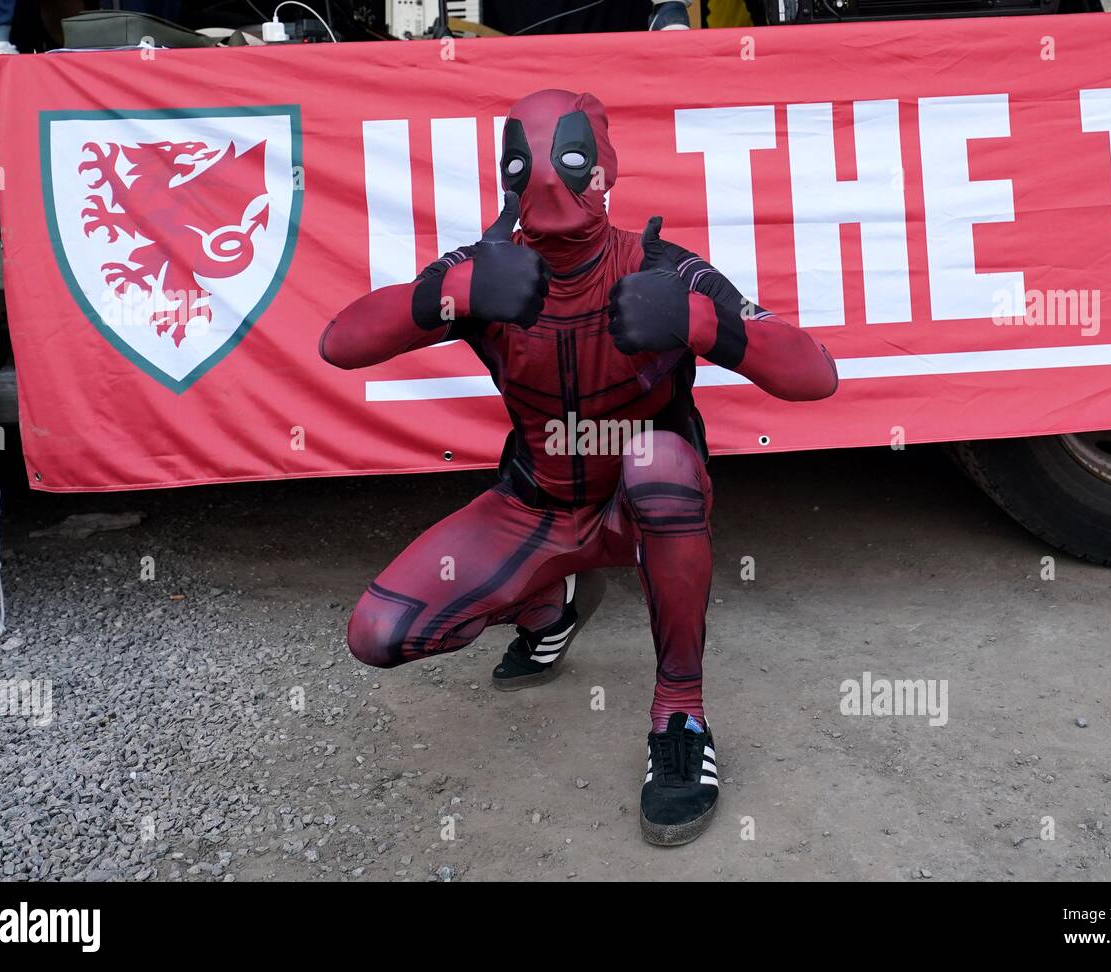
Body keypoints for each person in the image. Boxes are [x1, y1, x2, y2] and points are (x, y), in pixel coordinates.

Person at [320, 89, 838, 845]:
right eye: (524, 165)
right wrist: (449, 295)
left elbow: (813, 374)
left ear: (604, 168)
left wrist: (702, 322)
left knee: (660, 462)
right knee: (380, 633)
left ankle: (681, 715)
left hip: (639, 506)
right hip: (535, 504)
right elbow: (342, 342)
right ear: (504, 176)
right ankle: (547, 605)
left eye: (569, 160)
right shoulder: (485, 273)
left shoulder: (664, 270)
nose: (549, 184)